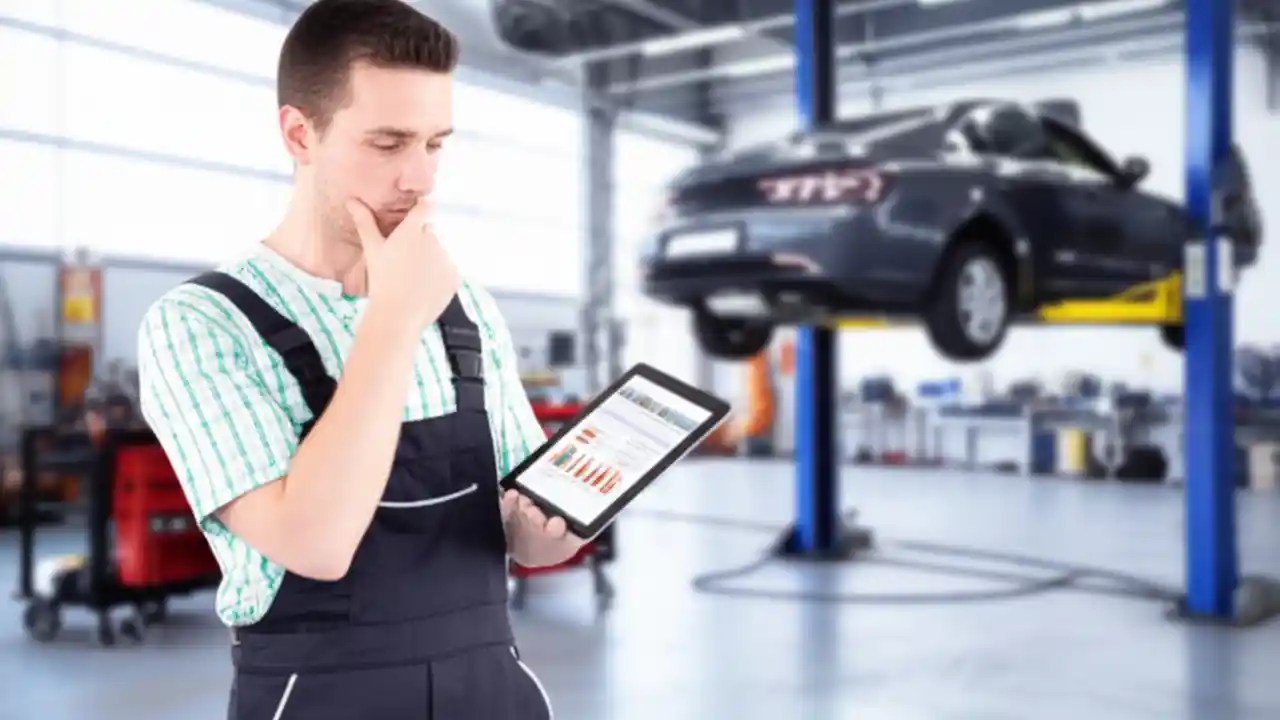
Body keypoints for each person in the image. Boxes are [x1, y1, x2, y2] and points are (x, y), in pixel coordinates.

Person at [136, 1, 583, 717]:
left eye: (436, 144)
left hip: (491, 689)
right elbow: (313, 544)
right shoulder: (203, 326)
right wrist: (397, 315)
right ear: (299, 133)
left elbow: (523, 533)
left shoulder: (467, 308)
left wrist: (542, 532)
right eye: (388, 143)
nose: (421, 179)